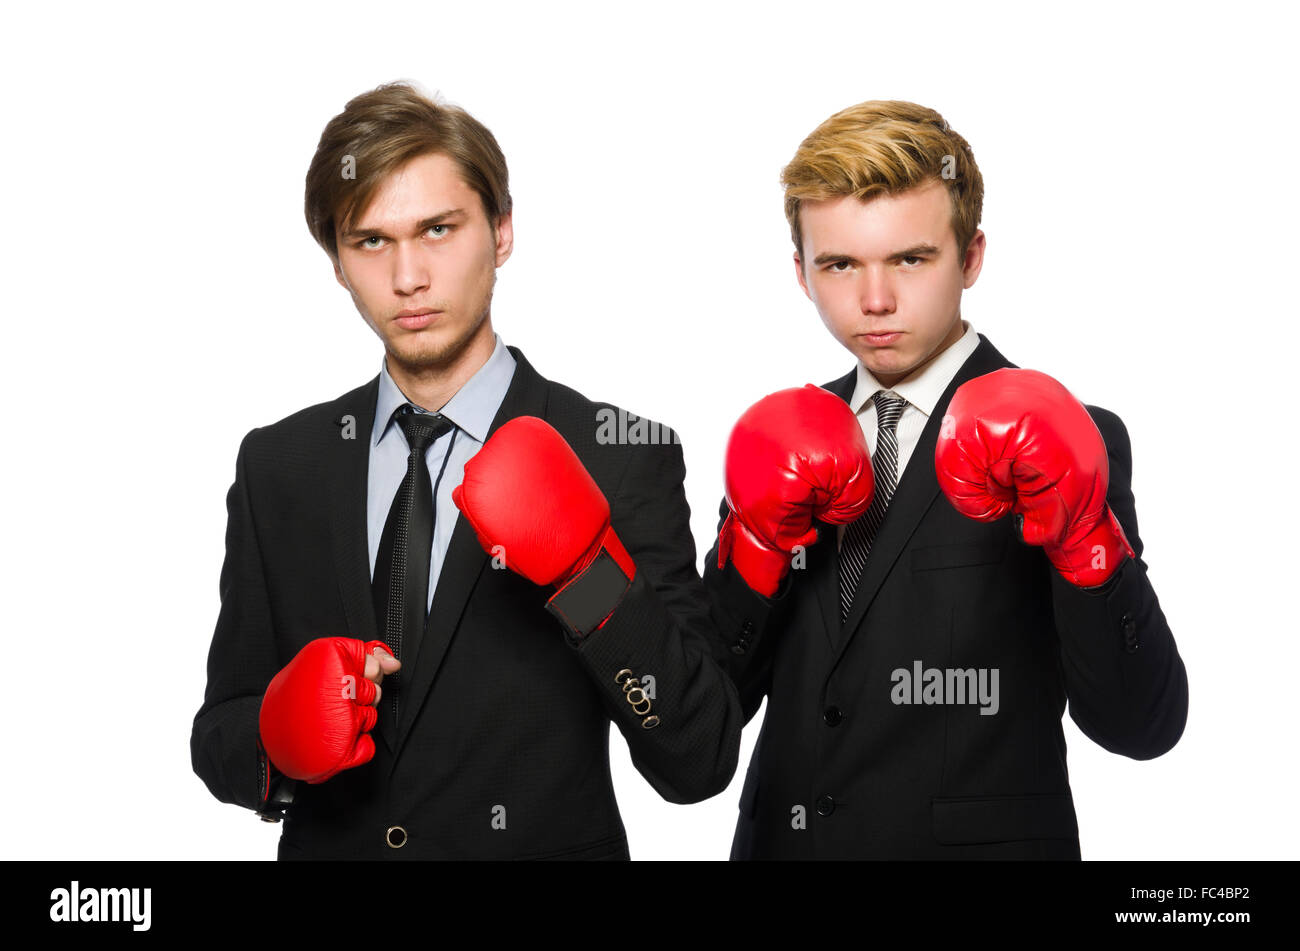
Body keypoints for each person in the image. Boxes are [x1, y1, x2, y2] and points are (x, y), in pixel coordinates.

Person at [190, 81, 742, 860]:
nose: (409, 277)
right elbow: (219, 730)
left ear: (502, 230)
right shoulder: (281, 465)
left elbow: (699, 755)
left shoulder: (618, 451)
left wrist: (589, 581)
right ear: (337, 262)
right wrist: (274, 743)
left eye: (439, 230)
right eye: (371, 241)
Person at [702, 100, 1188, 859]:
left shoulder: (1073, 435)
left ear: (972, 256)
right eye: (839, 264)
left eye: (910, 259)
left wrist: (1088, 540)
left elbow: (1143, 723)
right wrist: (753, 547)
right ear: (800, 272)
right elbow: (706, 718)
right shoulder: (776, 441)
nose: (874, 301)